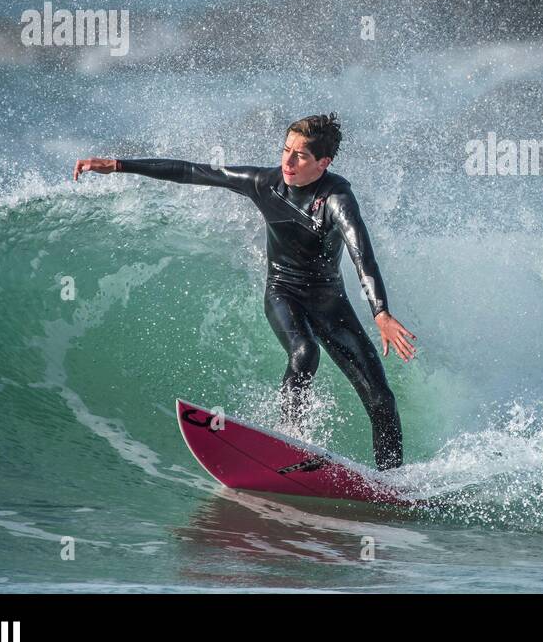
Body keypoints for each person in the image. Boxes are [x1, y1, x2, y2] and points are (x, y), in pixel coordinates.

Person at [73, 113, 414, 470]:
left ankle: (389, 480)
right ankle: (290, 437)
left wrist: (381, 312)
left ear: (323, 163)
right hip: (284, 292)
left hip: (330, 302)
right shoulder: (264, 183)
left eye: (300, 155)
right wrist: (117, 165)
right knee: (304, 351)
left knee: (380, 397)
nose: (287, 161)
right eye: (285, 150)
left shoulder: (337, 197)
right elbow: (194, 172)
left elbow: (362, 252)